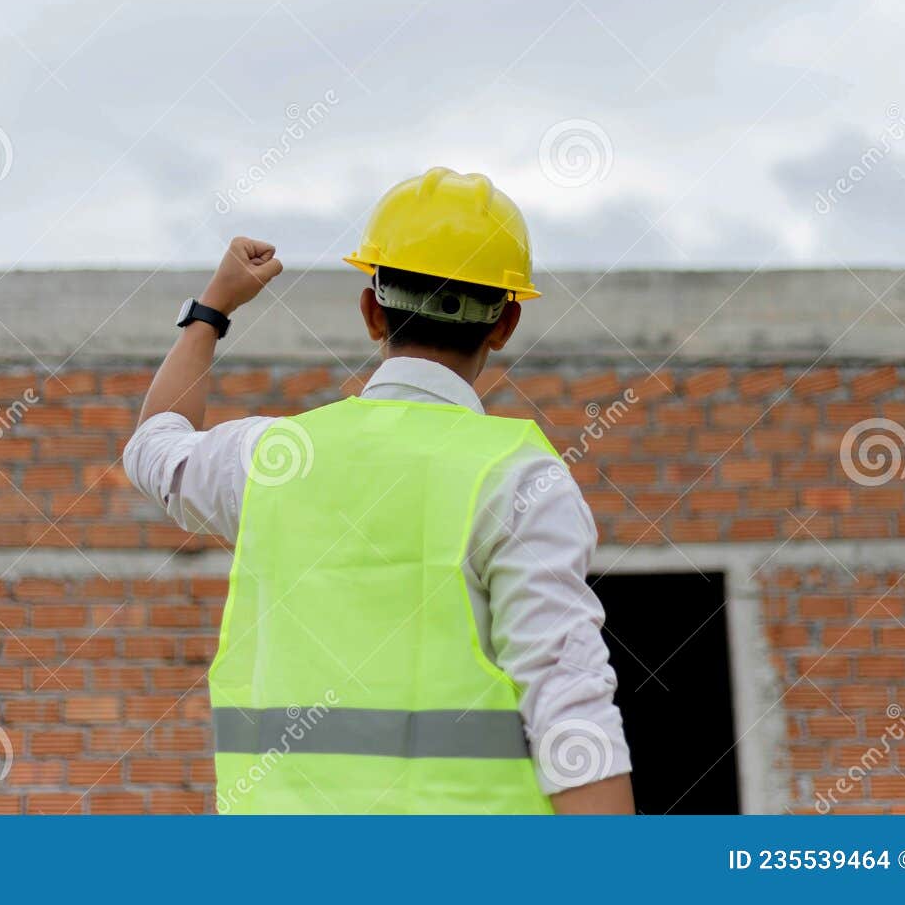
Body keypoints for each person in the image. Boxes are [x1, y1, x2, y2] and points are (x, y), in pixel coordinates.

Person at [123, 167, 633, 814]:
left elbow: (152, 445)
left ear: (371, 310)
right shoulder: (521, 480)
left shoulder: (271, 459)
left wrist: (213, 310)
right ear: (505, 323)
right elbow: (572, 714)